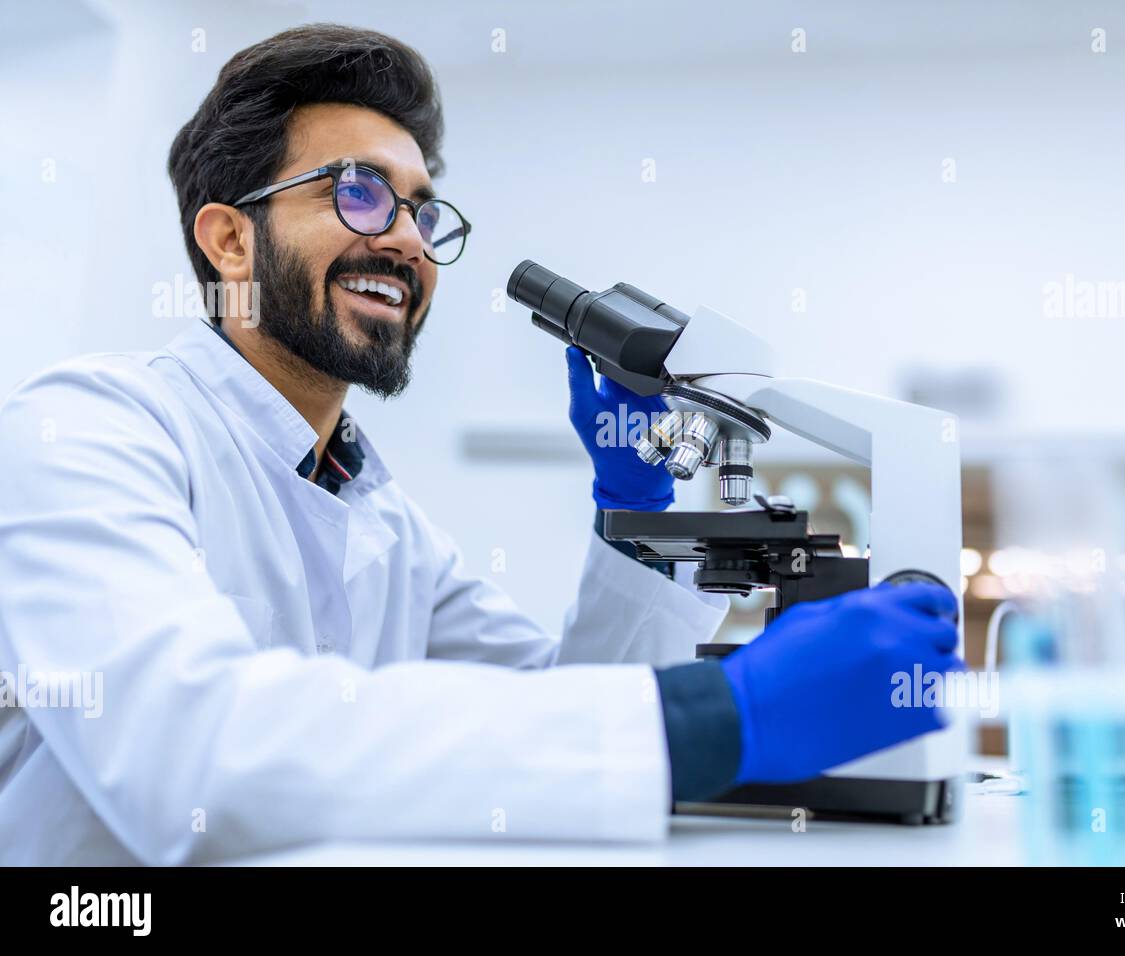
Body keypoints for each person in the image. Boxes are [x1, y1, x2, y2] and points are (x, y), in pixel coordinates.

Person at [0, 24, 962, 865]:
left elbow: (564, 712)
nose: (411, 243)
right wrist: (720, 718)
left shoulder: (383, 517)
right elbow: (188, 755)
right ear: (230, 243)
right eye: (361, 194)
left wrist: (635, 518)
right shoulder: (88, 431)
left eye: (421, 210)